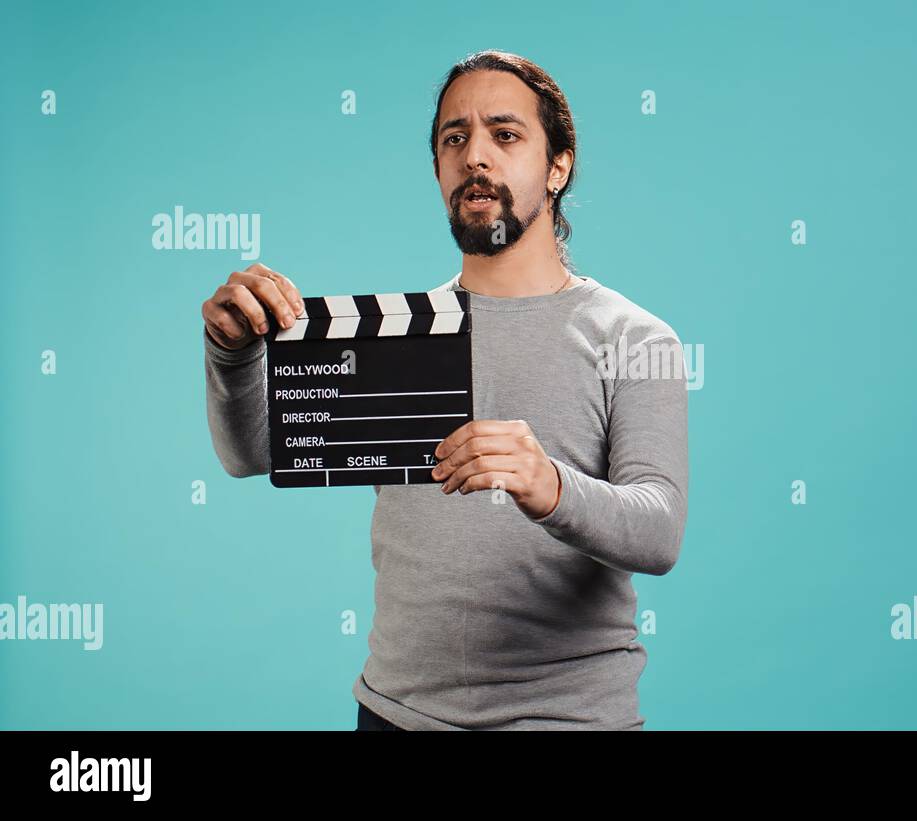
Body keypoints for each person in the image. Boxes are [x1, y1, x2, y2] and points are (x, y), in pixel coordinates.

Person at [199, 50, 689, 730]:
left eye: (505, 133)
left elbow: (659, 527)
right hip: (394, 713)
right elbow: (254, 452)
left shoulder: (636, 338)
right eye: (453, 139)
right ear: (436, 169)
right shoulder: (390, 334)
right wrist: (231, 351)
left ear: (558, 166)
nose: (474, 156)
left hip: (565, 719)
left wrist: (549, 483)